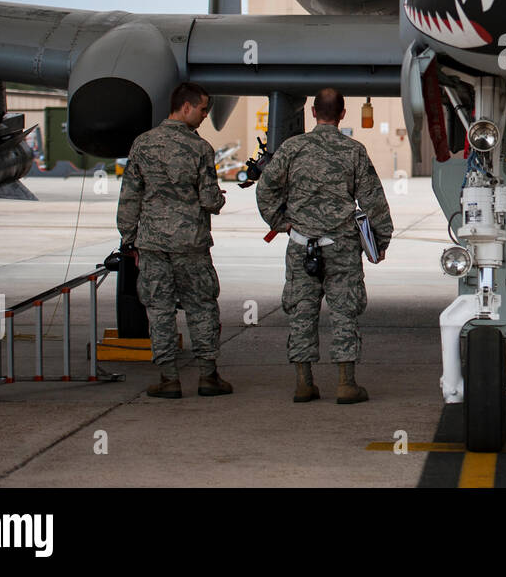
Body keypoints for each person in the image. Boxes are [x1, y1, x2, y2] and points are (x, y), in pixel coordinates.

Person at [254, 88, 393, 404]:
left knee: (302, 310)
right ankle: (346, 384)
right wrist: (380, 241)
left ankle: (304, 383)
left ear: (313, 113)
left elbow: (266, 190)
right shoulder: (353, 150)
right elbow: (373, 201)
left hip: (302, 244)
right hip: (341, 245)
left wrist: (281, 222)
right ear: (343, 114)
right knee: (345, 310)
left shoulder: (292, 148)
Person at [116, 82, 231, 399]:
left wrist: (130, 241)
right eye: (203, 109)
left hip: (152, 244)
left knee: (159, 310)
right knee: (202, 307)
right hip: (191, 243)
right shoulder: (200, 149)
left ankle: (169, 379)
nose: (205, 115)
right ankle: (208, 377)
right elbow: (209, 200)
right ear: (186, 107)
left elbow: (129, 200)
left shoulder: (142, 144)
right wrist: (218, 201)